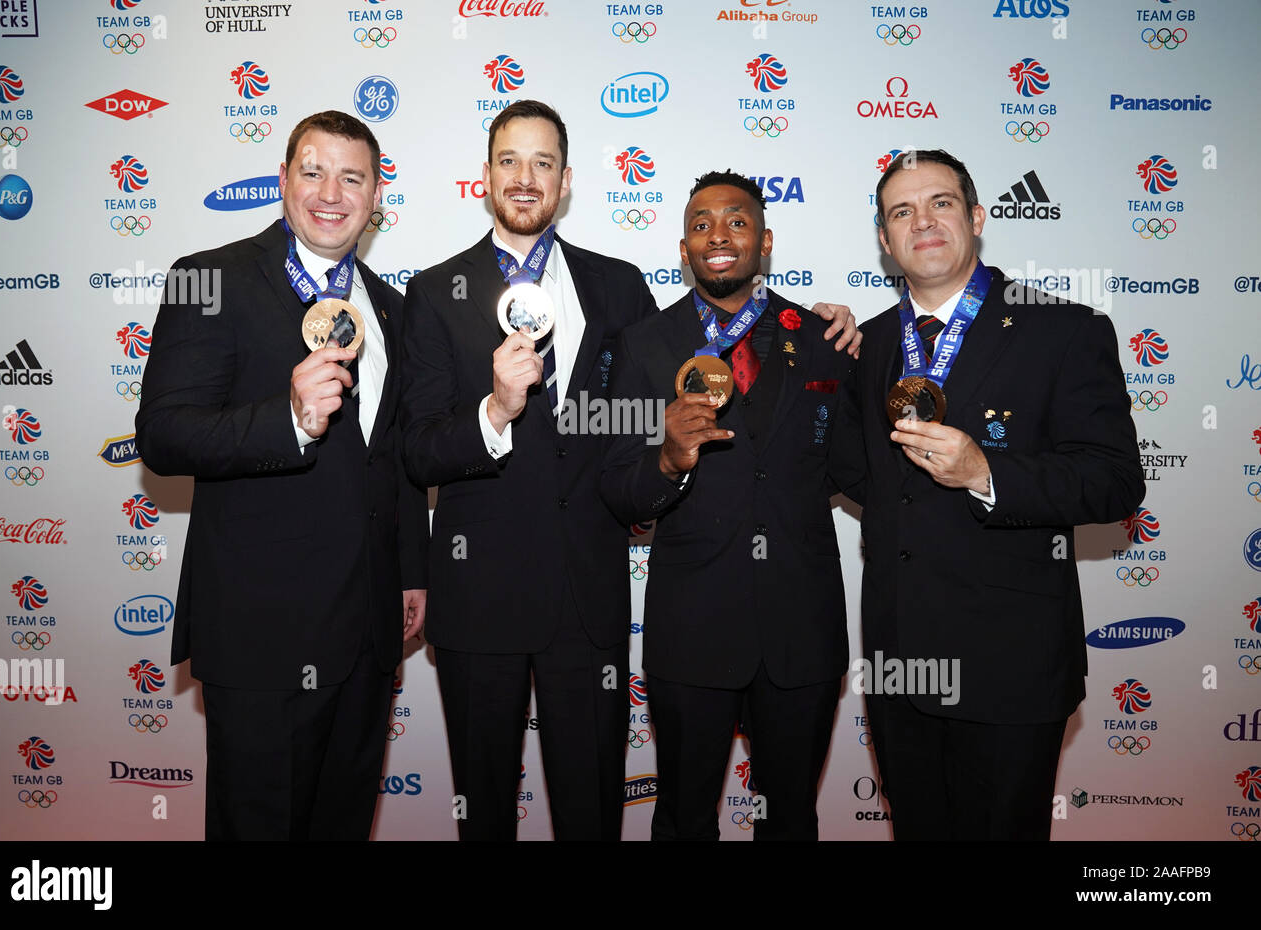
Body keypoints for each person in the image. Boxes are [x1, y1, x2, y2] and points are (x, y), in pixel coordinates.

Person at [136, 110, 428, 841]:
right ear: (282, 181)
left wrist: (412, 572)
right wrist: (288, 418)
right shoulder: (211, 279)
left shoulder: (388, 307)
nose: (331, 192)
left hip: (365, 631)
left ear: (375, 196)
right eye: (313, 171)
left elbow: (389, 457)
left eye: (352, 176)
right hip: (263, 631)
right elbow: (164, 435)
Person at [843, 149, 1144, 839]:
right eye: (901, 212)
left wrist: (988, 475)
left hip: (1010, 662)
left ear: (976, 217)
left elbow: (1115, 479)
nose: (922, 222)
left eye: (940, 203)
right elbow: (858, 474)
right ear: (886, 241)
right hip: (901, 664)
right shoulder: (869, 343)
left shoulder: (1064, 329)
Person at [399, 100, 661, 841]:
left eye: (543, 163)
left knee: (592, 814)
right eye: (510, 161)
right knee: (483, 814)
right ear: (485, 178)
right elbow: (417, 449)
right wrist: (494, 410)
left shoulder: (619, 286)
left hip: (590, 596)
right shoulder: (435, 292)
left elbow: (644, 422)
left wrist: (810, 322)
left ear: (566, 180)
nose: (525, 178)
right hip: (479, 595)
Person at [599, 172, 863, 840]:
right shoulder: (643, 345)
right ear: (684, 248)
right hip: (693, 631)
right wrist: (666, 461)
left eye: (737, 222)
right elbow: (618, 488)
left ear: (765, 240)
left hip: (801, 630)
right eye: (702, 224)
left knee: (791, 820)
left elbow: (860, 472)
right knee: (685, 819)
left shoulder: (826, 338)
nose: (719, 236)